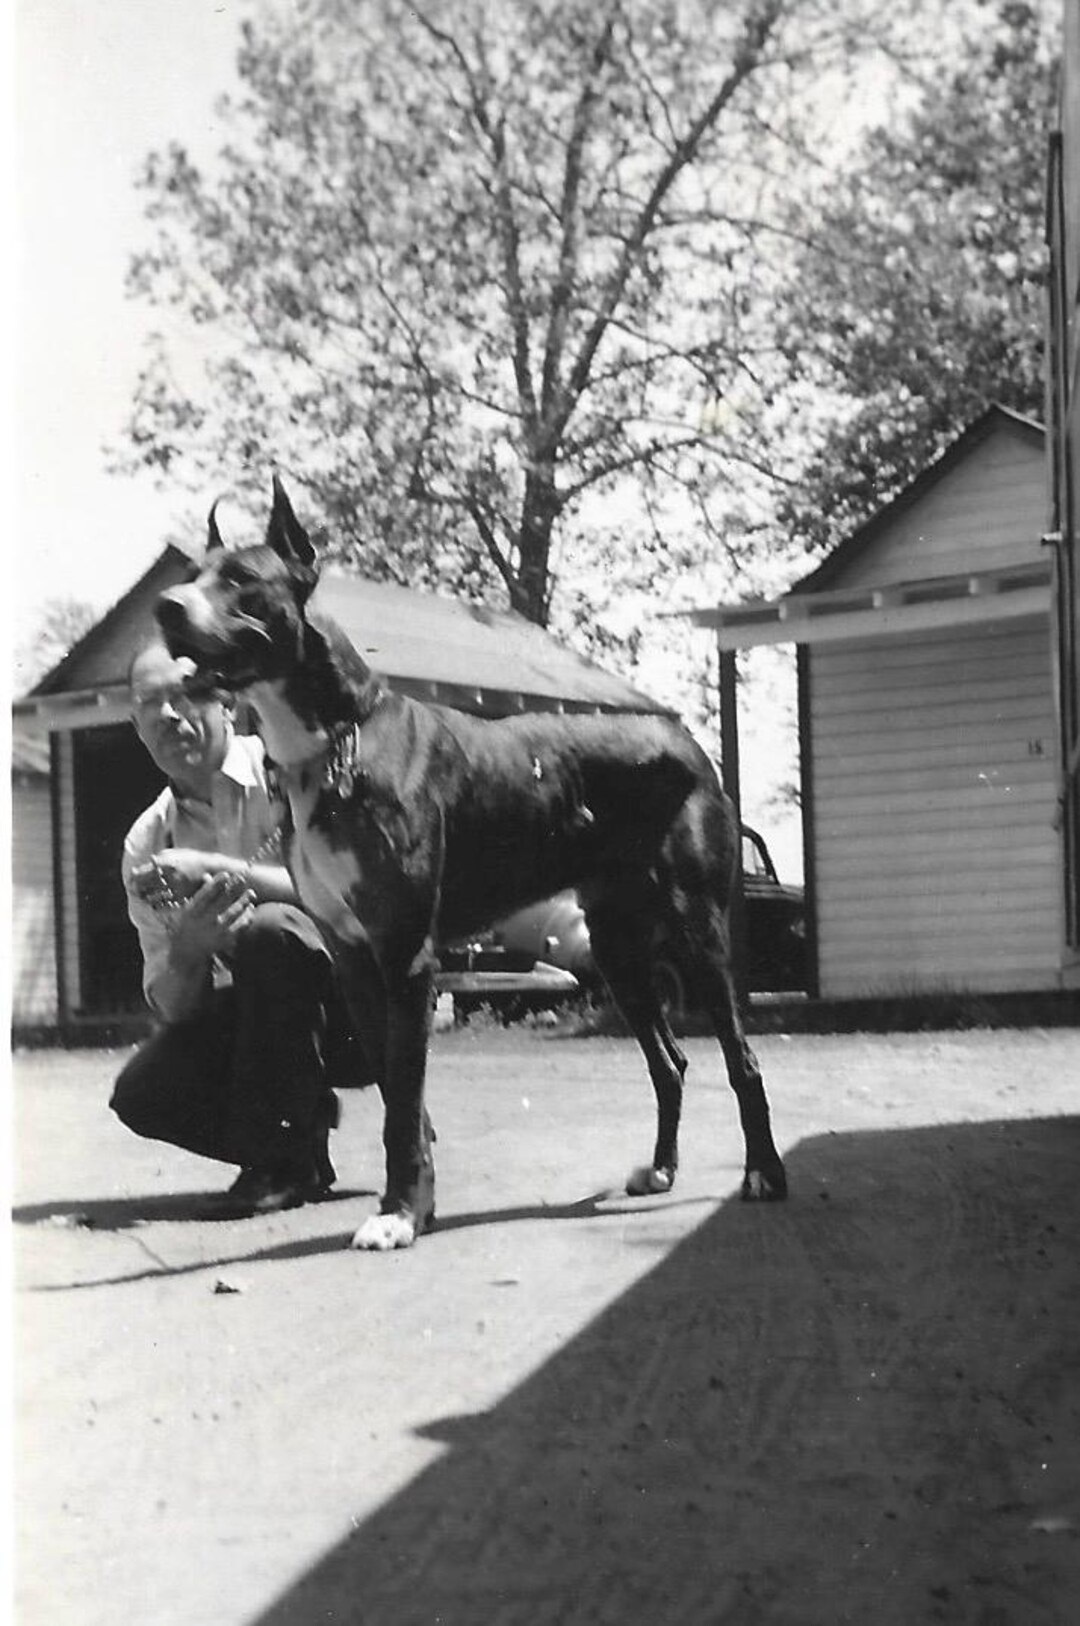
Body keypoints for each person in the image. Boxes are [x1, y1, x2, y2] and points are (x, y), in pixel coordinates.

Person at [110, 640, 350, 1214]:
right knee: (142, 1094)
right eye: (151, 704)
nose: (169, 715)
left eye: (182, 695)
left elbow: (349, 894)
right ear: (136, 725)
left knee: (268, 931)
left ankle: (279, 1162)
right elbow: (173, 1006)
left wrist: (219, 870)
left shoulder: (289, 770)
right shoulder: (147, 844)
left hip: (353, 1011)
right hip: (259, 1030)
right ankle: (299, 1137)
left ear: (225, 703)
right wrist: (189, 953)